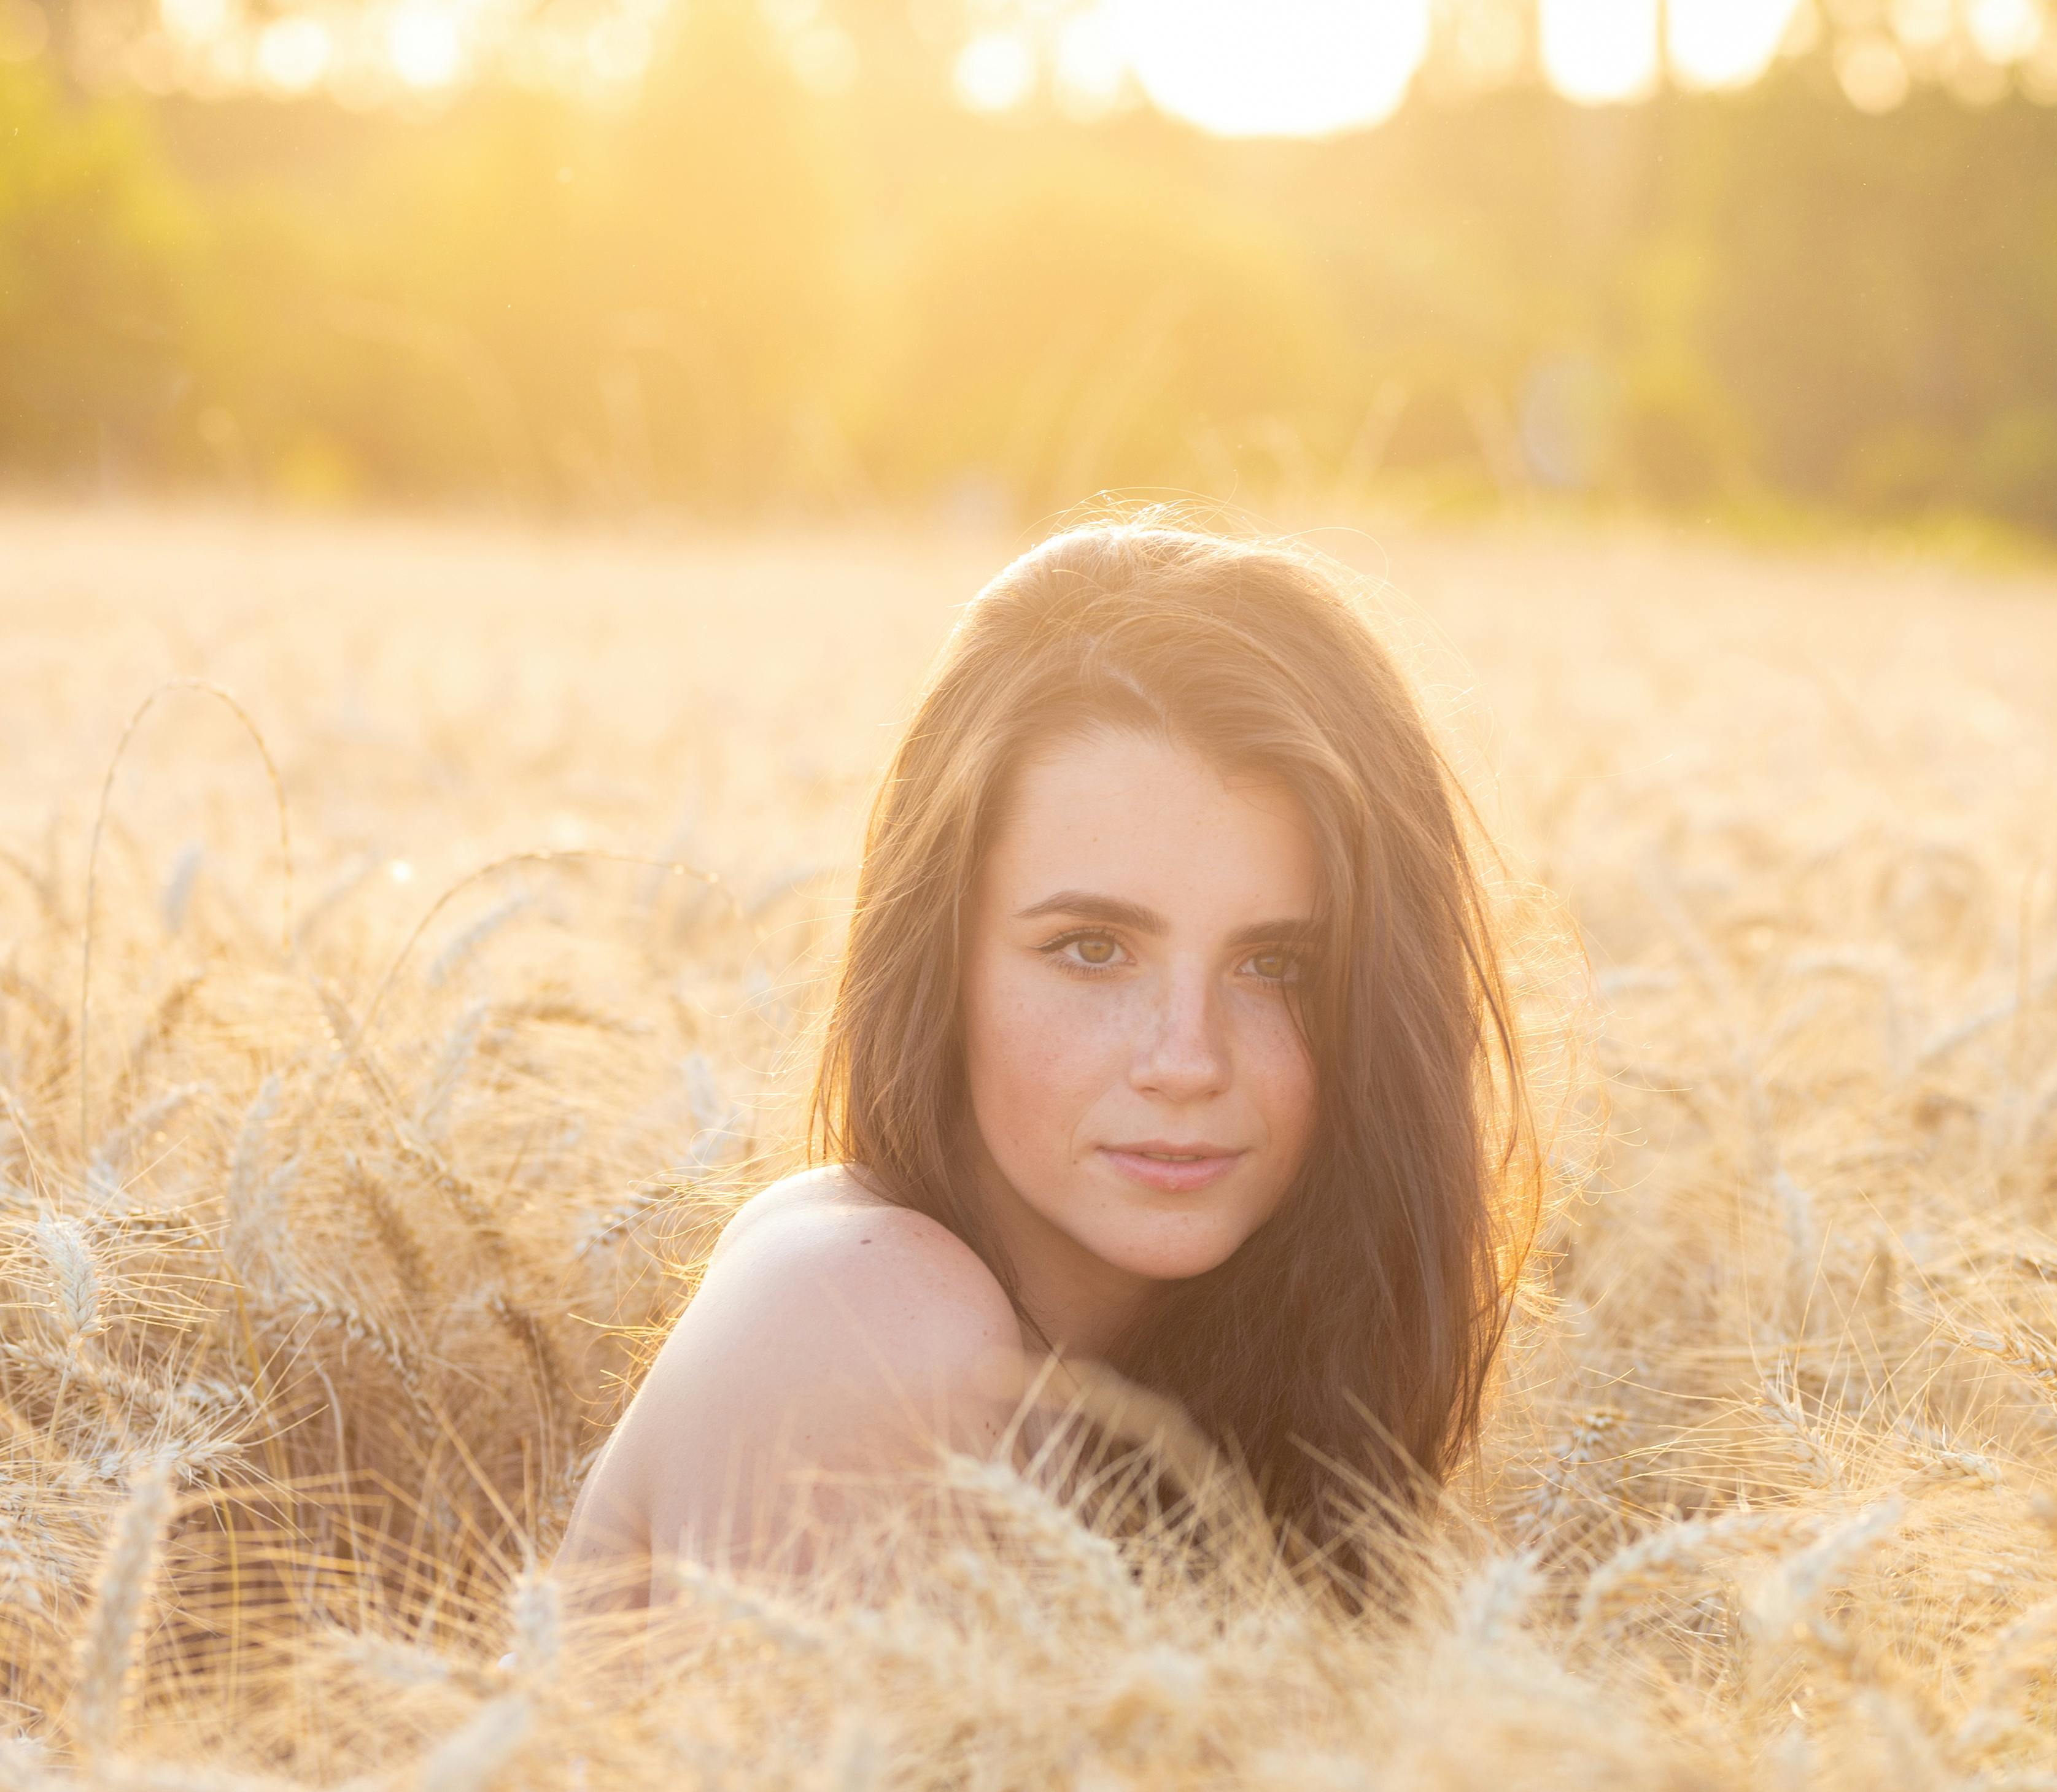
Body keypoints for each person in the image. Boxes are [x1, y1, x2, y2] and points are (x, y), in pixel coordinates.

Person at [556, 518, 1528, 1605]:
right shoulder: (866, 1315)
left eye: (1279, 964)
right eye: (1093, 950)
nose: (1186, 1060)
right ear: (940, 957)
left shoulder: (1217, 1388)